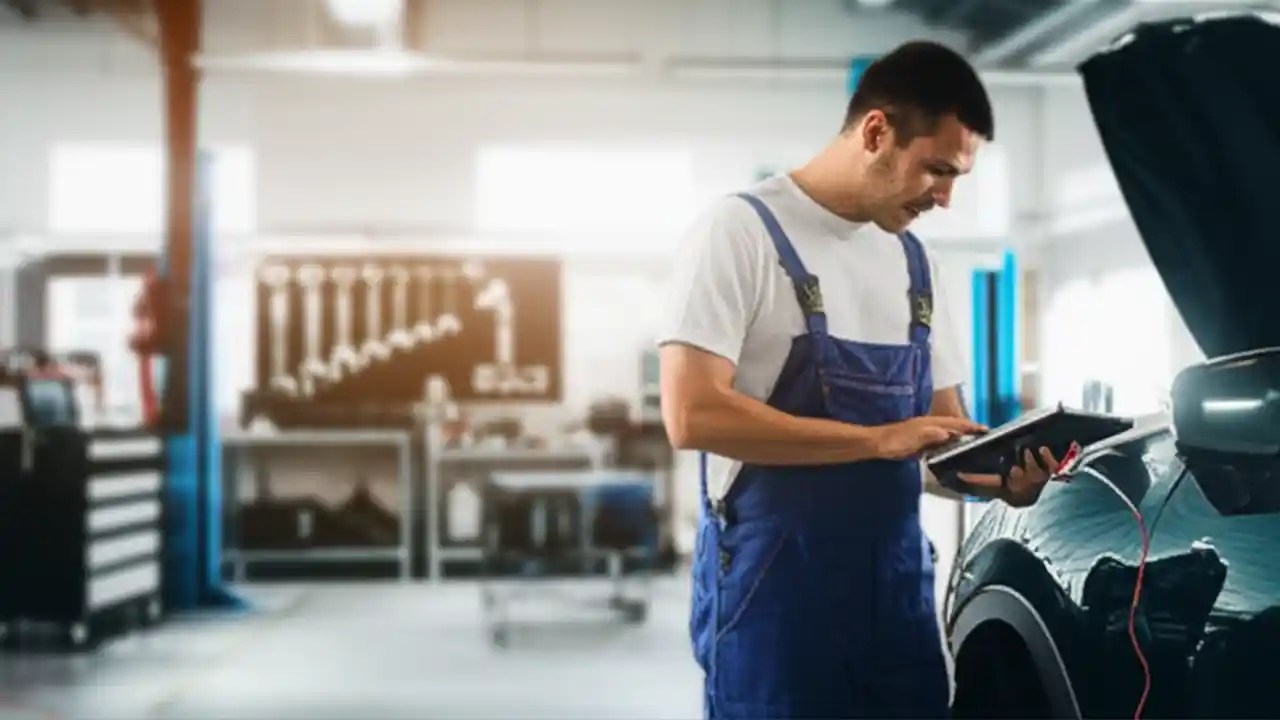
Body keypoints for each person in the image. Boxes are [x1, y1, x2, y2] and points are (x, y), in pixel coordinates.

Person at [657, 40, 1060, 719]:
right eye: (937, 169)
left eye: (958, 177)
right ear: (877, 131)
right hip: (774, 605)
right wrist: (874, 440)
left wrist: (999, 479)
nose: (947, 197)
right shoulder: (741, 233)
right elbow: (692, 415)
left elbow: (935, 448)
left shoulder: (916, 265)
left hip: (896, 602)